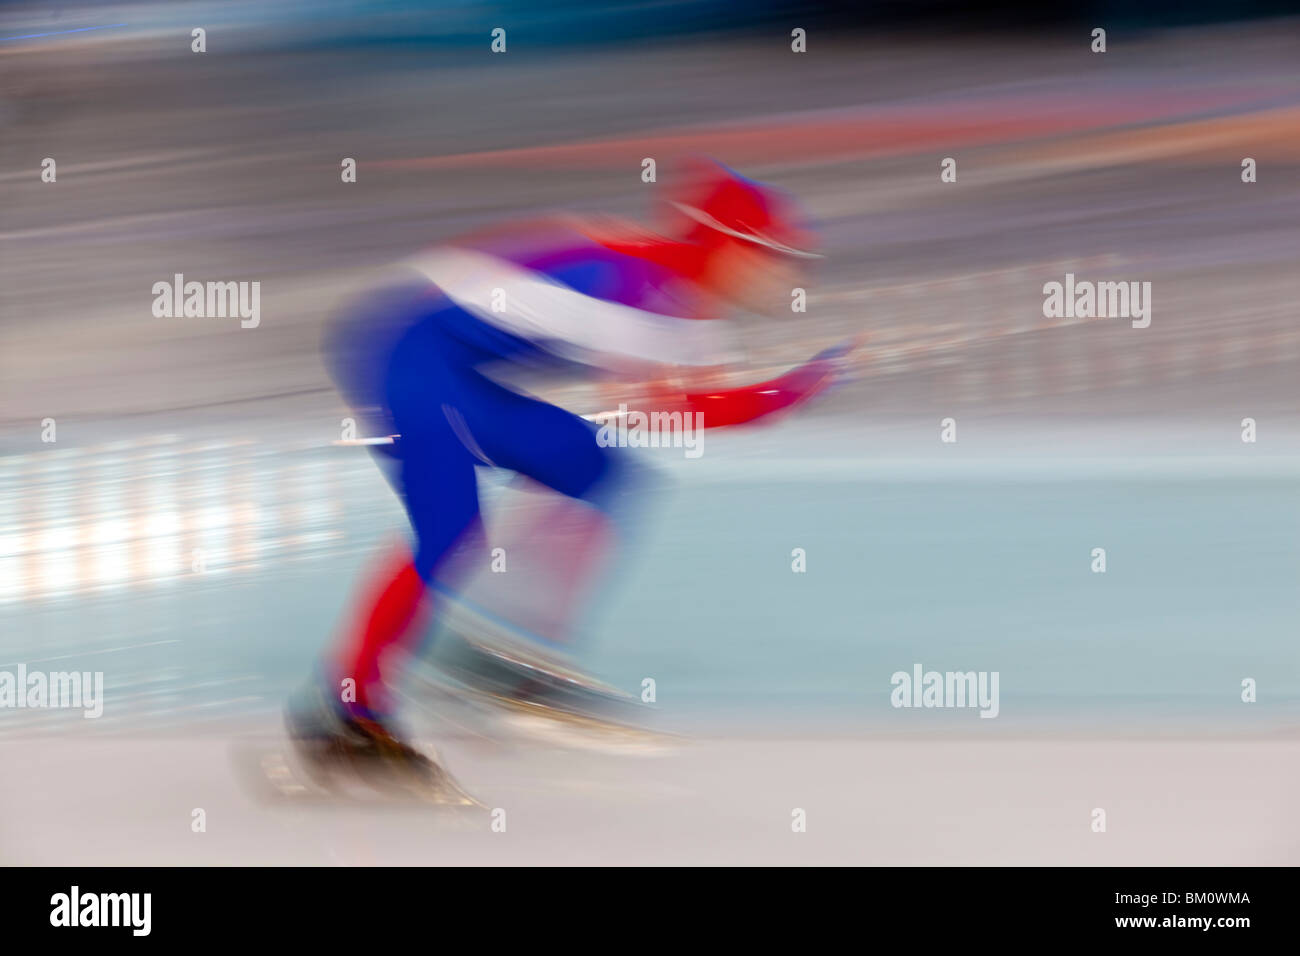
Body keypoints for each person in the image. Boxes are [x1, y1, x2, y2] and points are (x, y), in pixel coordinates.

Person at [290, 158, 836, 774]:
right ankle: (347, 716)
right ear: (729, 250)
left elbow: (694, 401)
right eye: (773, 256)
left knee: (595, 469)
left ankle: (512, 656)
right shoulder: (640, 289)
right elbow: (658, 410)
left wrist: (776, 396)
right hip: (400, 347)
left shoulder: (688, 302)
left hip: (451, 364)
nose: (783, 273)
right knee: (451, 527)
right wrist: (789, 392)